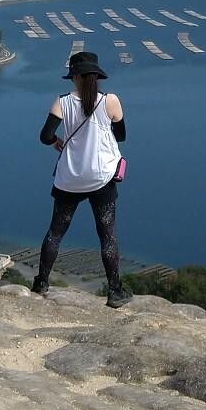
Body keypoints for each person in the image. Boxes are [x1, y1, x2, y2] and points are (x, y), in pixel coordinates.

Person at [33, 51, 130, 307]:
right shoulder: (110, 101)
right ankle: (115, 291)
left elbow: (44, 136)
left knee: (56, 232)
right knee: (107, 234)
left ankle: (41, 282)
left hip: (69, 179)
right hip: (101, 178)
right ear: (97, 76)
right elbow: (120, 136)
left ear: (74, 77)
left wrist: (57, 142)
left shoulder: (61, 103)